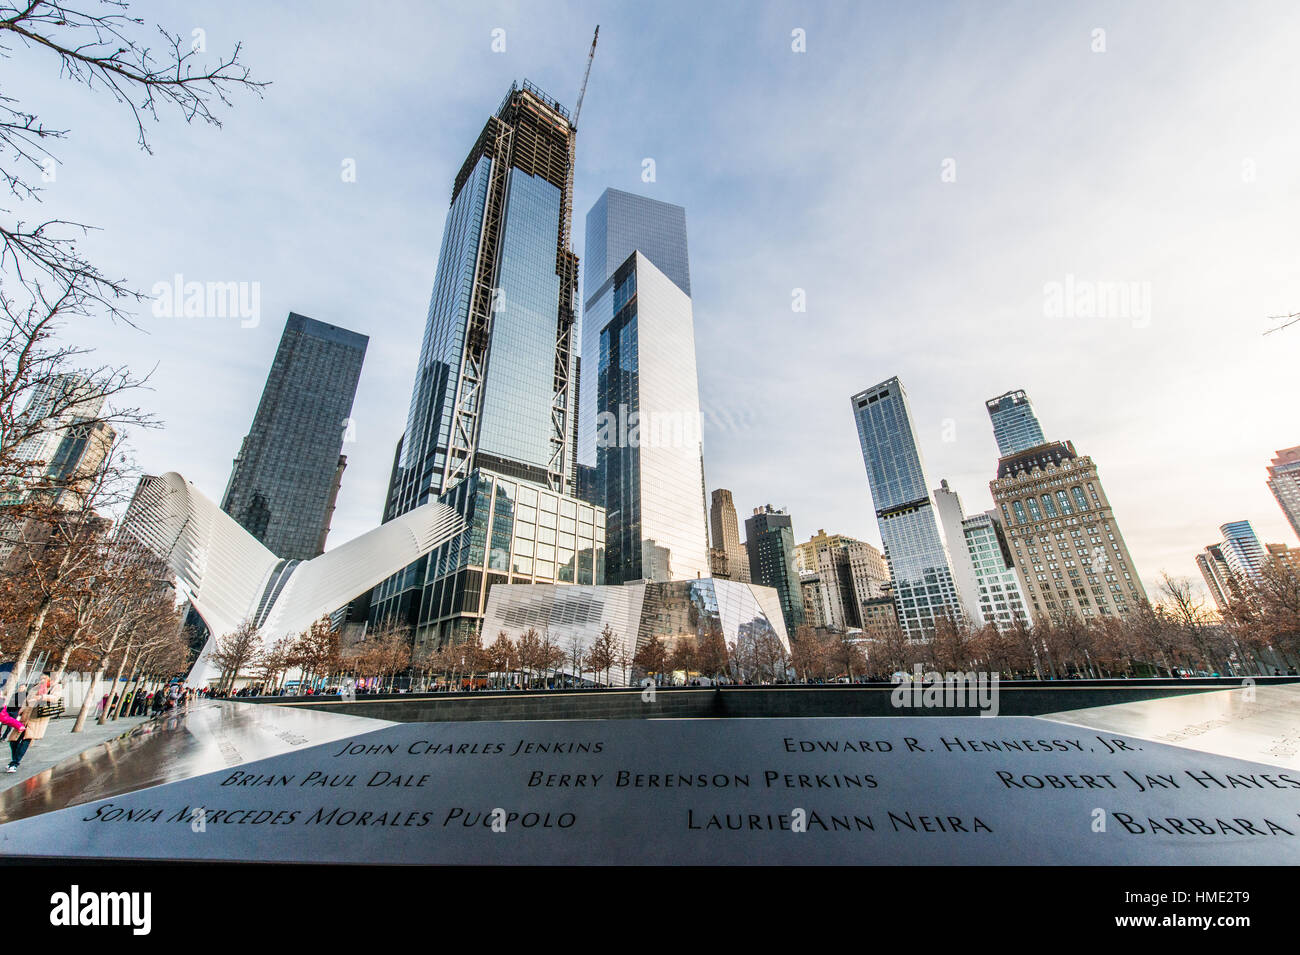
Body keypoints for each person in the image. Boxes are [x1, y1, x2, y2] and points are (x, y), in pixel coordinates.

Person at [8, 675, 61, 773]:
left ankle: (14, 764)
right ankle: (14, 761)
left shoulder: (55, 687)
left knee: (26, 740)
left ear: (50, 679)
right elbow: (25, 701)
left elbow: (55, 698)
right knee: (13, 741)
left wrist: (42, 697)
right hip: (25, 717)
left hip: (37, 718)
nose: (42, 680)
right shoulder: (34, 688)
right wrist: (20, 711)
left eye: (44, 678)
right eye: (40, 678)